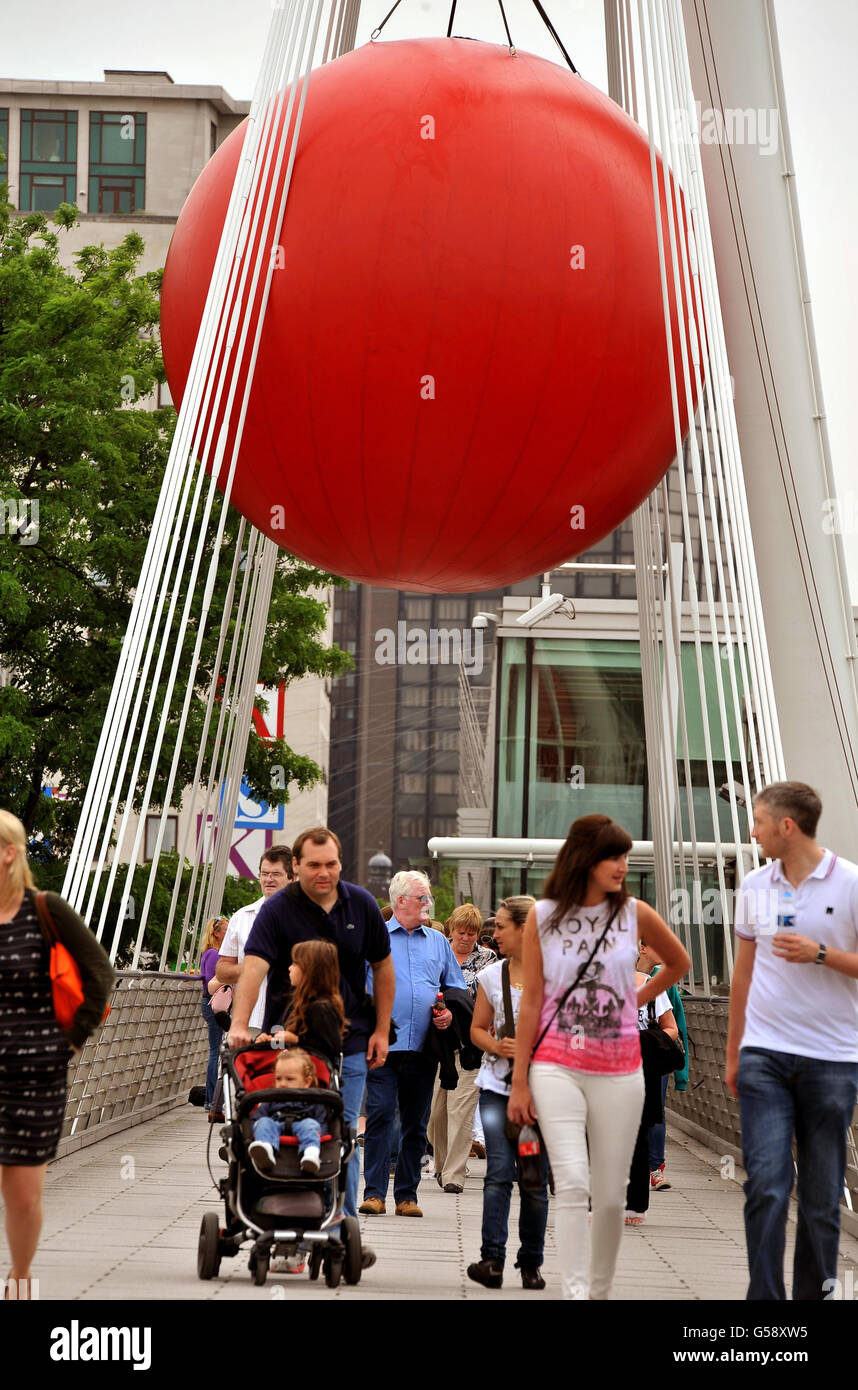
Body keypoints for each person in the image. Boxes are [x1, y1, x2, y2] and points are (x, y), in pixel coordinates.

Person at [508, 814, 689, 1300]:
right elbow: (531, 1002)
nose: (623, 866)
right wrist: (520, 1081)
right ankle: (573, 1290)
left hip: (621, 1067)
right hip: (556, 1065)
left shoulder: (634, 913)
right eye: (614, 856)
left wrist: (640, 997)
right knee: (570, 1183)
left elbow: (679, 961)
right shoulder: (545, 917)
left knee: (609, 1197)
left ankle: (600, 1290)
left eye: (626, 857)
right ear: (586, 858)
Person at [725, 781, 858, 1301]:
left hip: (833, 1059)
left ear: (787, 826)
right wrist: (734, 1052)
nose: (752, 831)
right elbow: (742, 975)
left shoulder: (849, 882)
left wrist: (820, 953)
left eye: (758, 821)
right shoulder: (755, 884)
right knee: (766, 1185)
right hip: (764, 1055)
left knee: (823, 1198)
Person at [227, 827, 394, 1223]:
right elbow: (254, 968)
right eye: (314, 865)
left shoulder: (362, 905)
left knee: (342, 1132)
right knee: (276, 1121)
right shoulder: (278, 909)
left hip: (349, 1041)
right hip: (287, 1047)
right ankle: (284, 1215)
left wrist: (382, 1030)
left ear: (341, 863)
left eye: (332, 864)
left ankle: (340, 1225)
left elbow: (383, 968)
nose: (324, 873)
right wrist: (239, 1024)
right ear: (297, 866)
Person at [0, 810, 114, 1300]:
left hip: (34, 1074)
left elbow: (100, 976)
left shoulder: (45, 909)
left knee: (22, 1196)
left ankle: (20, 1278)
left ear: (8, 852)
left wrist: (68, 1044)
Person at [359, 871, 465, 1218]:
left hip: (423, 1048)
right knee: (378, 1117)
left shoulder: (437, 941)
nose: (428, 904)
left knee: (416, 1125)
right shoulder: (375, 938)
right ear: (400, 900)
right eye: (423, 898)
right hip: (382, 1044)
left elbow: (455, 988)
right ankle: (374, 1193)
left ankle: (407, 1195)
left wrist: (448, 1013)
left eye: (428, 898)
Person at [468, 894, 549, 1290]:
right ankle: (492, 1259)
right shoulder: (492, 976)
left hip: (540, 1098)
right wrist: (496, 1045)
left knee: (533, 1178)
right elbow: (477, 1029)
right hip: (497, 1090)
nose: (494, 933)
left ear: (525, 929)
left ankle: (531, 1262)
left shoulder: (556, 979)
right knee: (498, 1172)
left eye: (501, 926)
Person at [427, 903, 494, 1194]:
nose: (466, 938)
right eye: (461, 932)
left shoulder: (487, 959)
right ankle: (442, 1165)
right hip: (436, 1044)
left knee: (461, 1112)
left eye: (471, 933)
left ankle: (455, 1173)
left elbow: (488, 999)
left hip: (469, 1046)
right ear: (451, 929)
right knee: (435, 1115)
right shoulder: (438, 952)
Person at [215, 845, 293, 1033]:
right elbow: (222, 970)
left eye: (276, 874)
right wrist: (253, 967)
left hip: (292, 1024)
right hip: (249, 1023)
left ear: (293, 878)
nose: (268, 879)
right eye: (264, 873)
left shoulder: (309, 918)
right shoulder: (242, 917)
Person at [624, 967, 680, 1226]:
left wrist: (643, 1040)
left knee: (637, 1135)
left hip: (640, 1068)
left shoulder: (649, 986)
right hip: (601, 1066)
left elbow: (671, 1028)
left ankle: (635, 1205)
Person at [637, 937, 689, 1191]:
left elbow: (676, 1024)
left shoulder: (661, 981)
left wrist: (682, 1072)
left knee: (655, 1113)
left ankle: (655, 1169)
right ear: (642, 948)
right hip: (617, 1061)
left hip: (652, 1057)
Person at [256, 939, 346, 1062]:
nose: (289, 968)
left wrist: (294, 1039)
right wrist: (269, 1041)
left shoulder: (321, 1008)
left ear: (310, 970)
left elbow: (329, 1049)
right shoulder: (299, 1003)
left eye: (295, 963)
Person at [248, 1048, 328, 1174]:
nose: (283, 1084)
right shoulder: (271, 1098)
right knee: (263, 1122)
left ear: (307, 1082)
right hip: (276, 1125)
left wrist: (322, 1133)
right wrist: (256, 1126)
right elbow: (258, 1116)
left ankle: (311, 1153)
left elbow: (322, 1120)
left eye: (289, 1079)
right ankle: (265, 1149)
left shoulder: (313, 1099)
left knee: (312, 1125)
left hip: (302, 1124)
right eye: (279, 1079)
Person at [199, 915, 228, 1109]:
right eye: (226, 930)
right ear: (216, 933)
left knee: (215, 1049)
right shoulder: (214, 954)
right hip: (213, 1004)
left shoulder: (210, 953)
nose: (230, 933)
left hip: (211, 1003)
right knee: (215, 1051)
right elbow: (212, 981)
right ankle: (211, 1099)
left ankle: (211, 1098)